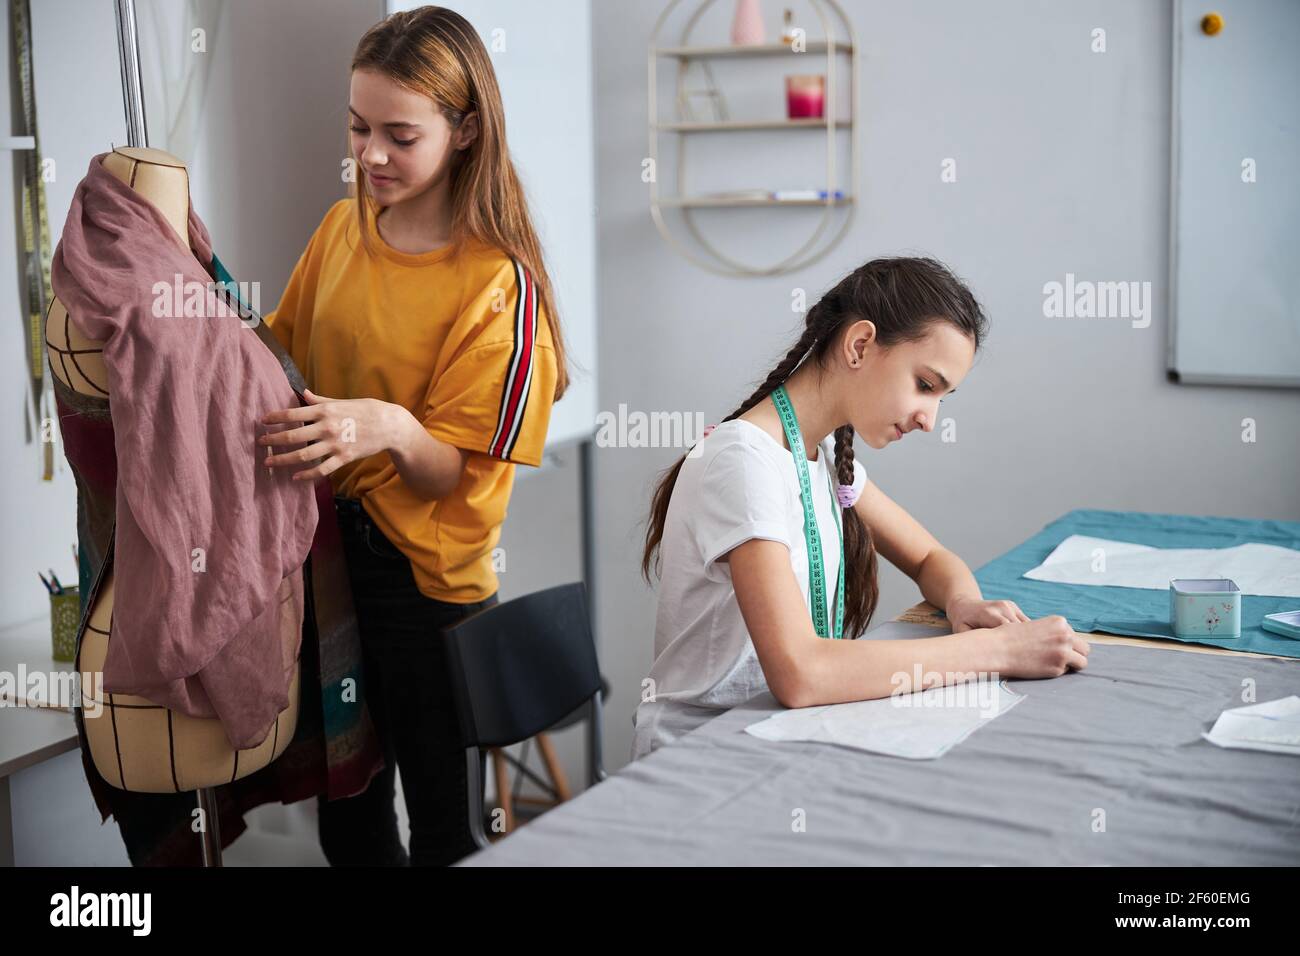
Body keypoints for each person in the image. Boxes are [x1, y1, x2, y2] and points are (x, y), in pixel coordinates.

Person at [261, 6, 567, 865]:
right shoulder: (340, 231)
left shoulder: (498, 287)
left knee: (444, 834)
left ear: (465, 131)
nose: (371, 155)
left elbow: (448, 478)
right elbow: (276, 363)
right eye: (359, 128)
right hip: (322, 564)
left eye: (400, 136)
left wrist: (389, 427)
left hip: (425, 592)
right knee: (350, 825)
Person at [635, 257, 1087, 760]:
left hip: (778, 737)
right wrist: (998, 651)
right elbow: (800, 674)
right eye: (925, 385)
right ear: (859, 345)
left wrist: (963, 603)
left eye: (943, 398)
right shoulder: (743, 460)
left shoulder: (825, 456)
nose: (930, 420)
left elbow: (930, 559)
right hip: (702, 756)